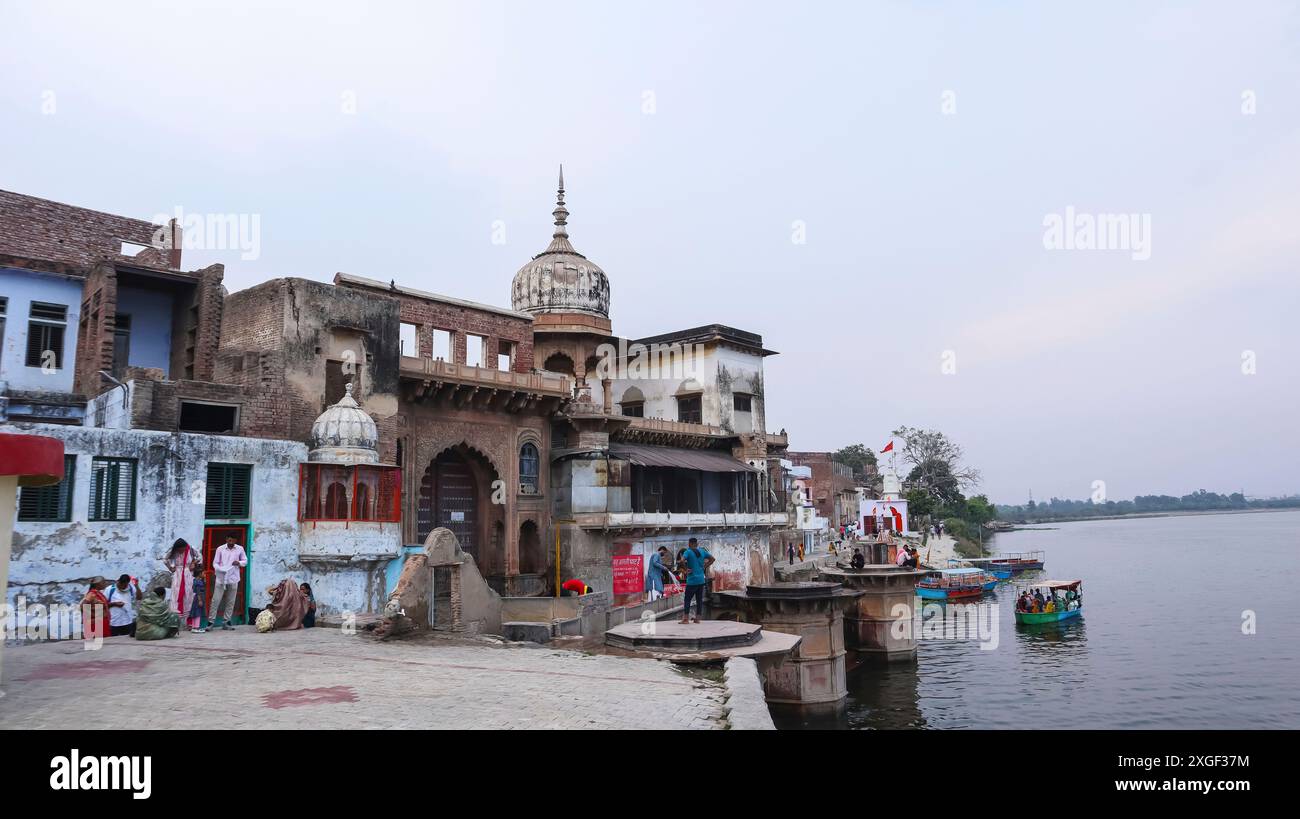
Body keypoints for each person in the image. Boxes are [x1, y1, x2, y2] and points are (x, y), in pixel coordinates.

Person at [209, 535, 248, 630]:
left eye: (232, 539)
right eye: (228, 539)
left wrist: (239, 563)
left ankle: (226, 621)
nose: (230, 540)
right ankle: (210, 621)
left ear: (235, 539)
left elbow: (245, 561)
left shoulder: (240, 548)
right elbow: (215, 563)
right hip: (221, 578)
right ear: (226, 539)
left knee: (231, 601)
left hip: (233, 578)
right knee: (216, 600)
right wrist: (221, 570)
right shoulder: (220, 549)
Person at [164, 538, 202, 632]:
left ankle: (189, 623)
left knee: (189, 597)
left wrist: (193, 563)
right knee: (176, 596)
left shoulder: (191, 549)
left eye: (183, 549)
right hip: (177, 575)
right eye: (180, 549)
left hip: (188, 574)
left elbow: (200, 557)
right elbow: (165, 559)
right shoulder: (173, 551)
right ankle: (175, 623)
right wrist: (170, 567)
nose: (182, 551)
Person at [135, 571, 181, 640]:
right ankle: (170, 634)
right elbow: (164, 619)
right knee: (174, 616)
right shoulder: (162, 604)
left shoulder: (144, 602)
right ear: (162, 595)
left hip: (140, 633)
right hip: (155, 633)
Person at [677, 537, 713, 625]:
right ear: (696, 544)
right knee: (699, 599)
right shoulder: (702, 551)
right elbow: (712, 559)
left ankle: (685, 619)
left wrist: (686, 570)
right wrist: (705, 566)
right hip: (701, 580)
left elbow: (681, 561)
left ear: (690, 544)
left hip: (692, 581)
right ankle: (697, 619)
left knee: (687, 599)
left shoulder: (688, 552)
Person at [80, 577, 111, 642]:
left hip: (103, 622)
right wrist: (93, 615)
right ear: (97, 585)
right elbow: (83, 605)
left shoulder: (98, 593)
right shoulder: (92, 594)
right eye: (103, 582)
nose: (105, 584)